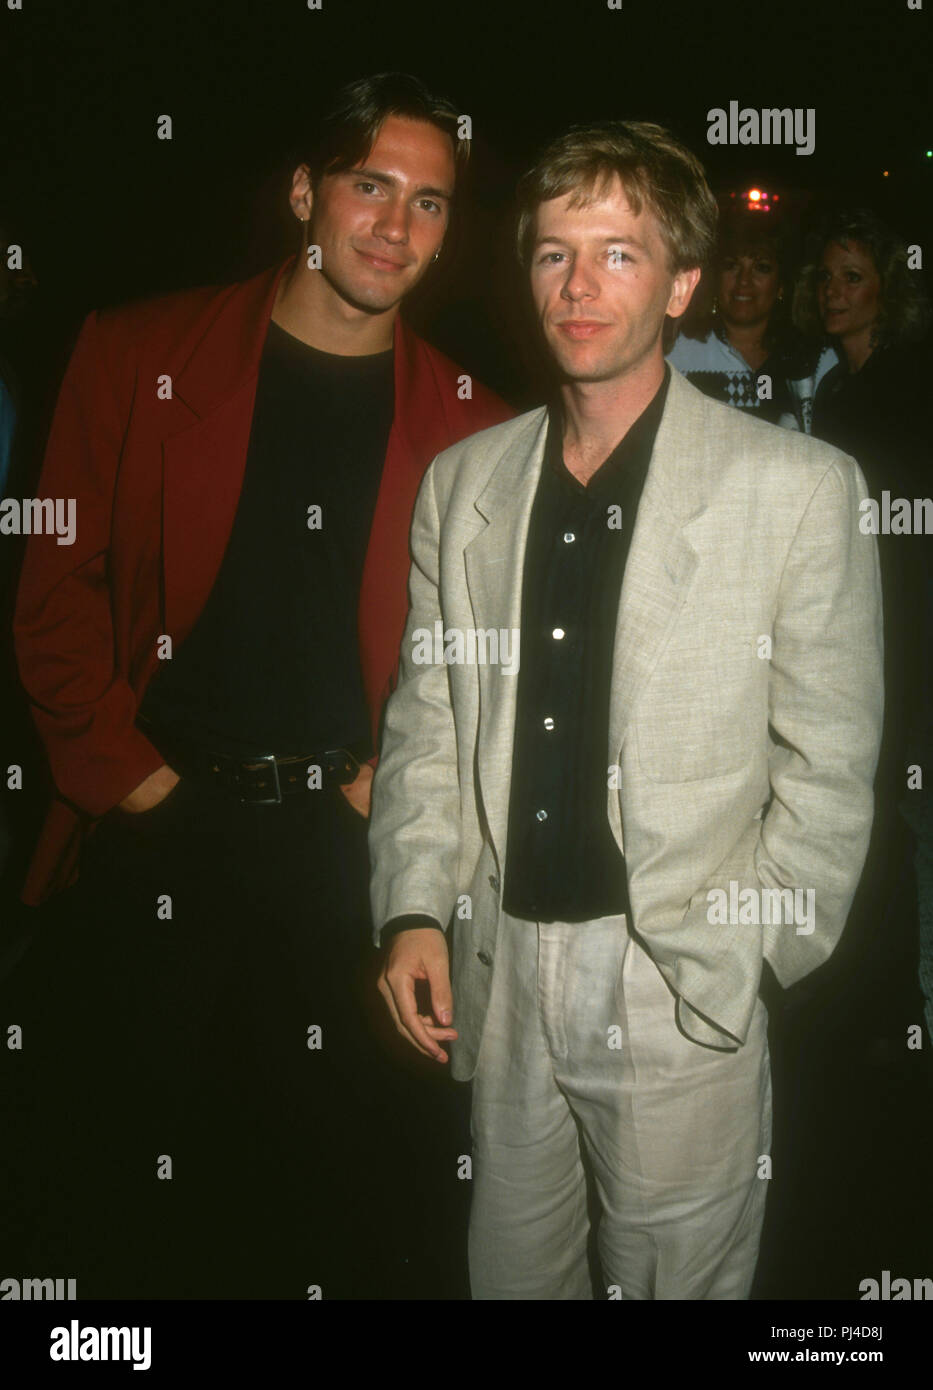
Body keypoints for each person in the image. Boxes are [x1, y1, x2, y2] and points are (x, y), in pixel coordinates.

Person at [11, 71, 511, 1298]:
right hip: (158, 829)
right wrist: (131, 780)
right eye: (369, 186)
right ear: (306, 192)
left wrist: (399, 797)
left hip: (349, 858)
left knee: (329, 1200)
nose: (396, 228)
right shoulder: (135, 351)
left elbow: (480, 662)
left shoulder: (477, 424)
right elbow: (55, 586)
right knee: (111, 1196)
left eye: (432, 204)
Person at [369, 120, 884, 1300]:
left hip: (675, 976)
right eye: (555, 253)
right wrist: (410, 906)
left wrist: (750, 959)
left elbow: (831, 766)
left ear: (684, 282)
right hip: (497, 970)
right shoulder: (465, 484)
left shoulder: (797, 489)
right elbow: (429, 725)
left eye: (618, 253)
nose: (579, 286)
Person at [796, 208, 933, 1055]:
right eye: (826, 276)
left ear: (887, 290)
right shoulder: (837, 384)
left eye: (852, 276)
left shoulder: (910, 376)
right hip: (863, 624)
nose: (833, 291)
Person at [668, 208, 835, 432]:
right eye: (732, 266)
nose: (743, 281)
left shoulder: (816, 360)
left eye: (761, 268)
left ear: (781, 285)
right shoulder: (676, 353)